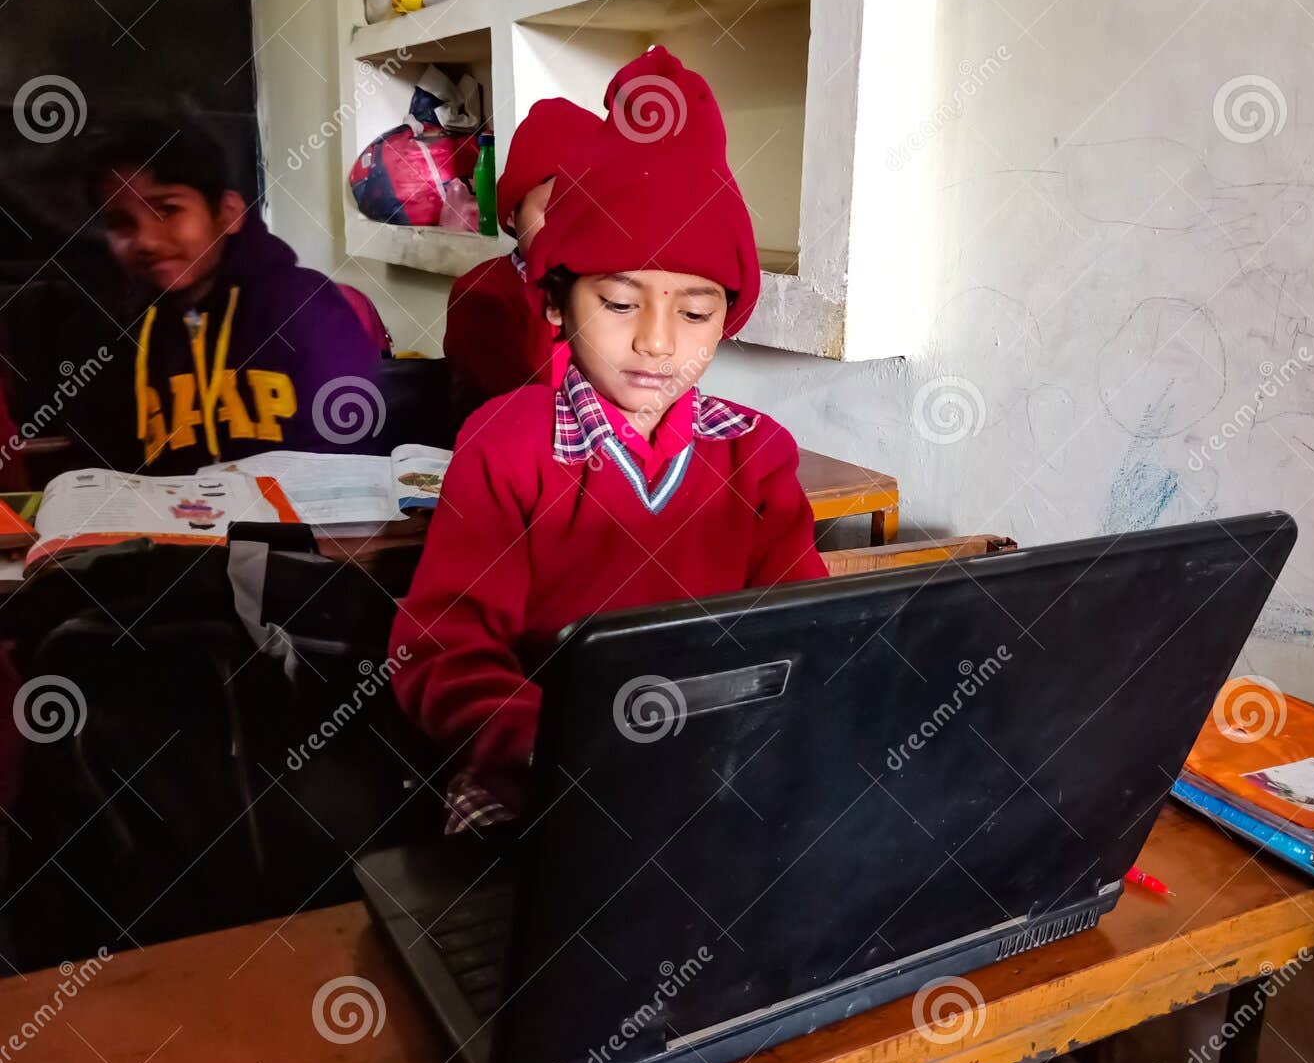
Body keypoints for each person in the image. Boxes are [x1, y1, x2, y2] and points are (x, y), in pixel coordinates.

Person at [391, 47, 827, 831]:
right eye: (621, 304)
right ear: (555, 301)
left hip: (721, 777)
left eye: (695, 313)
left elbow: (807, 631)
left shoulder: (756, 454)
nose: (659, 344)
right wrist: (548, 742)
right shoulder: (505, 447)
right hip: (546, 784)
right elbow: (439, 650)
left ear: (728, 318)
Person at [72, 118, 383, 474]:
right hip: (161, 526)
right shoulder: (113, 330)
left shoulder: (305, 309)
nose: (146, 240)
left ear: (229, 213)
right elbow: (103, 465)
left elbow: (349, 454)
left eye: (167, 209)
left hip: (295, 524)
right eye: (121, 223)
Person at [442, 98, 601, 414]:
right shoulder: (481, 295)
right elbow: (524, 414)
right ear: (513, 215)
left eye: (591, 210)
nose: (567, 227)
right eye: (552, 209)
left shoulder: (619, 291)